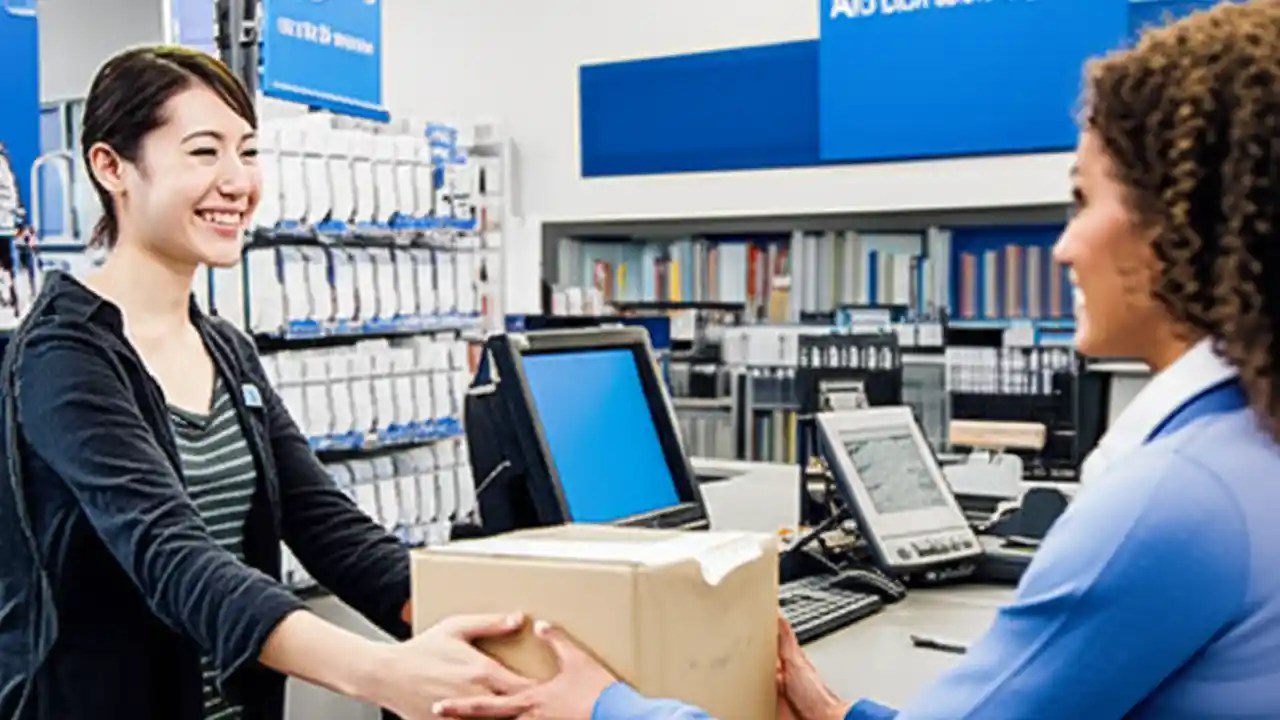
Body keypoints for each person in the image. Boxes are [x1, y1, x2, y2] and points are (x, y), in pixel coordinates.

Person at [432, 3, 1280, 718]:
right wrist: (844, 714)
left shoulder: (1174, 501)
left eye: (1082, 200)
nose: (1062, 247)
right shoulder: (1243, 450)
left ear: (1179, 223)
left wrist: (607, 705)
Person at [0, 47, 533, 720]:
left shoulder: (224, 346)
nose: (237, 182)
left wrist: (498, 636)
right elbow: (170, 552)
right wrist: (381, 673)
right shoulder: (61, 354)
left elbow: (325, 525)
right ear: (112, 168)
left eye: (248, 152)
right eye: (203, 152)